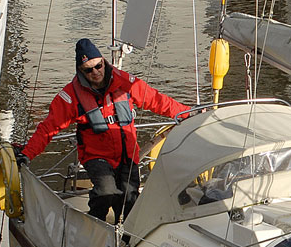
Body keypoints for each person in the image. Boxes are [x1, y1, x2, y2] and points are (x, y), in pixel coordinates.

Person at [17, 38, 190, 221]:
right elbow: (48, 128)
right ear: (80, 71)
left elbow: (156, 100)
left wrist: (187, 112)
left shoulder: (125, 83)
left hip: (127, 155)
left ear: (103, 61)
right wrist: (28, 153)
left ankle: (127, 239)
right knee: (106, 192)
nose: (95, 72)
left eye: (98, 66)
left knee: (130, 198)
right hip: (96, 156)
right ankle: (94, 225)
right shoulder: (70, 97)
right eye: (88, 70)